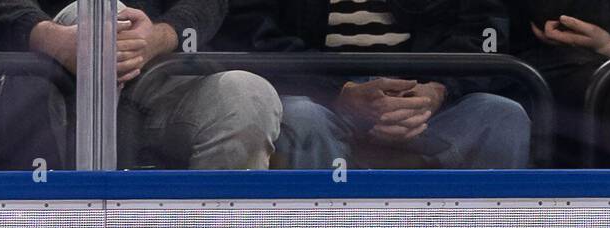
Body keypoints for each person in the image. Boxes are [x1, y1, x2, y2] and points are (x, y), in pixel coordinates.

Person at [219, 0, 529, 169]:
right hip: (320, 99)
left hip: (426, 101)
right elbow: (253, 33)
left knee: (502, 115)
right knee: (298, 117)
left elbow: (485, 24)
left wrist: (438, 89)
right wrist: (338, 93)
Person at [0, 0, 281, 169]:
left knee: (248, 95)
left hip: (162, 76)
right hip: (33, 78)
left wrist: (160, 36)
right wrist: (48, 38)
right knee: (94, 12)